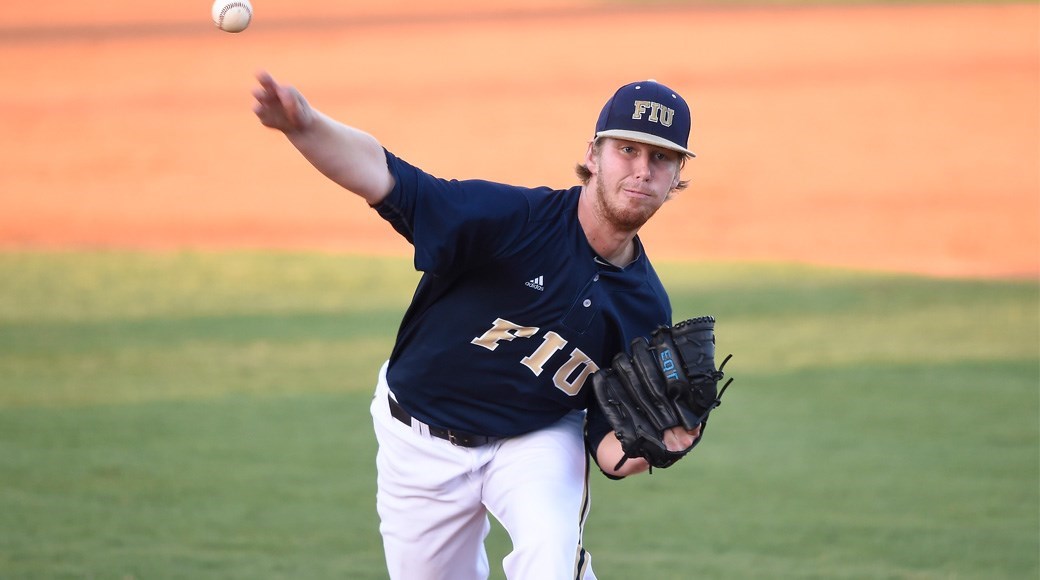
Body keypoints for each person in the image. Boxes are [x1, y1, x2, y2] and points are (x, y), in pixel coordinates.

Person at [254, 72, 705, 580]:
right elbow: (390, 179)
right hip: (418, 437)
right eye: (627, 149)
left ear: (675, 177)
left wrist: (662, 444)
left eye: (661, 158)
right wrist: (306, 126)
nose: (642, 170)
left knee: (551, 561)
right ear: (594, 154)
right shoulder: (511, 219)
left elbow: (609, 451)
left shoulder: (644, 307)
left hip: (533, 441)